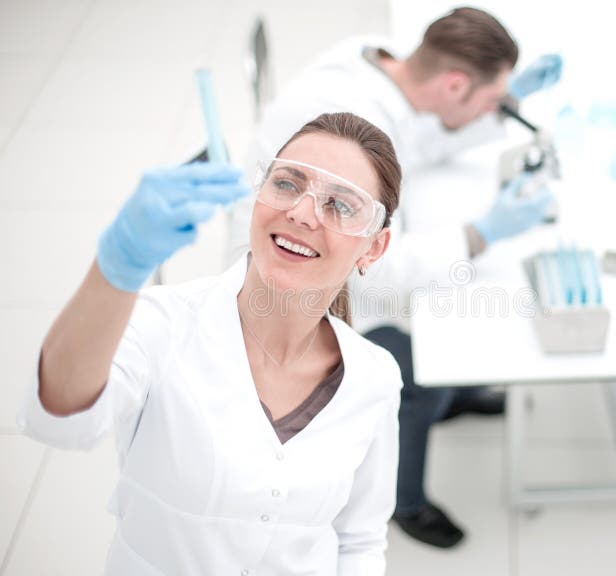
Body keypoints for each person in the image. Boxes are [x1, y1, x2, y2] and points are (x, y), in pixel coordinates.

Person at [229, 7, 562, 548]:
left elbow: (414, 145)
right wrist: (482, 233)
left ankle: (457, 396)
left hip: (324, 248)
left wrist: (503, 102)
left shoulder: (378, 58)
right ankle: (405, 501)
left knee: (450, 308)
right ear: (455, 84)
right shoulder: (356, 119)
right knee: (422, 357)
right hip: (286, 286)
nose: (492, 108)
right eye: (486, 97)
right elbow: (374, 275)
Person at [18, 112, 405, 575]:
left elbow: (359, 539)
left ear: (373, 248)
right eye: (287, 183)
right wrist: (116, 266)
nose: (302, 212)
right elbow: (57, 424)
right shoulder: (161, 325)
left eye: (341, 205)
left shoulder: (375, 376)